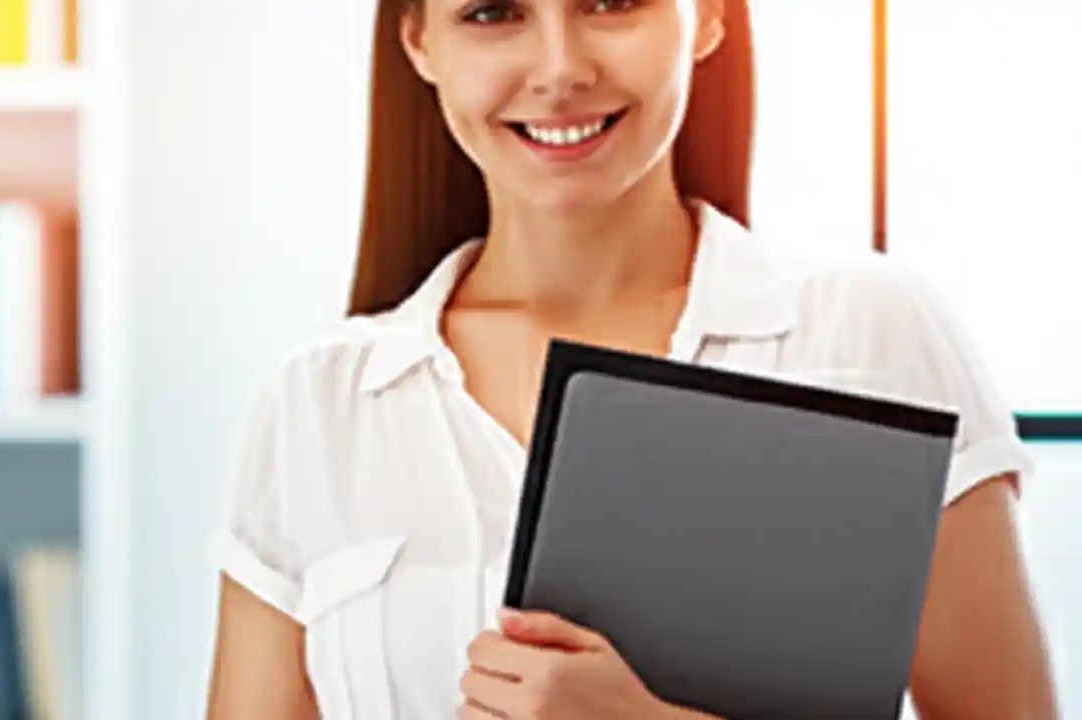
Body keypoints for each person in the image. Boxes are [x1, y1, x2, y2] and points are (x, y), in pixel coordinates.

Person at [205, 0, 1058, 717]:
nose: (559, 67)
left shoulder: (867, 334)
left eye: (611, 1)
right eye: (492, 12)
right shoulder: (320, 403)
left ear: (710, 17)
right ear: (421, 44)